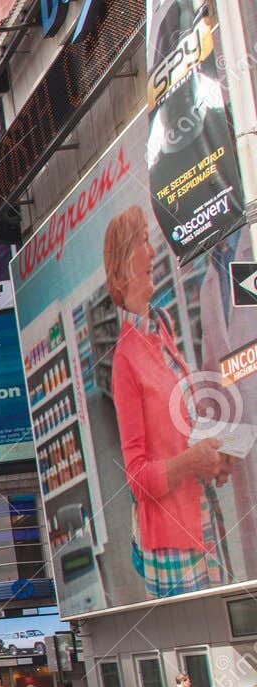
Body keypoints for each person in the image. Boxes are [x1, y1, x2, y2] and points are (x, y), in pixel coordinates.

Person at [104, 205, 231, 599]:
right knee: (201, 652)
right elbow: (138, 478)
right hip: (175, 544)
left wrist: (212, 459)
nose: (153, 250)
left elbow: (180, 424)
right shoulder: (125, 361)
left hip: (203, 514)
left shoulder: (162, 327)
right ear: (124, 266)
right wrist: (191, 461)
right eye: (144, 240)